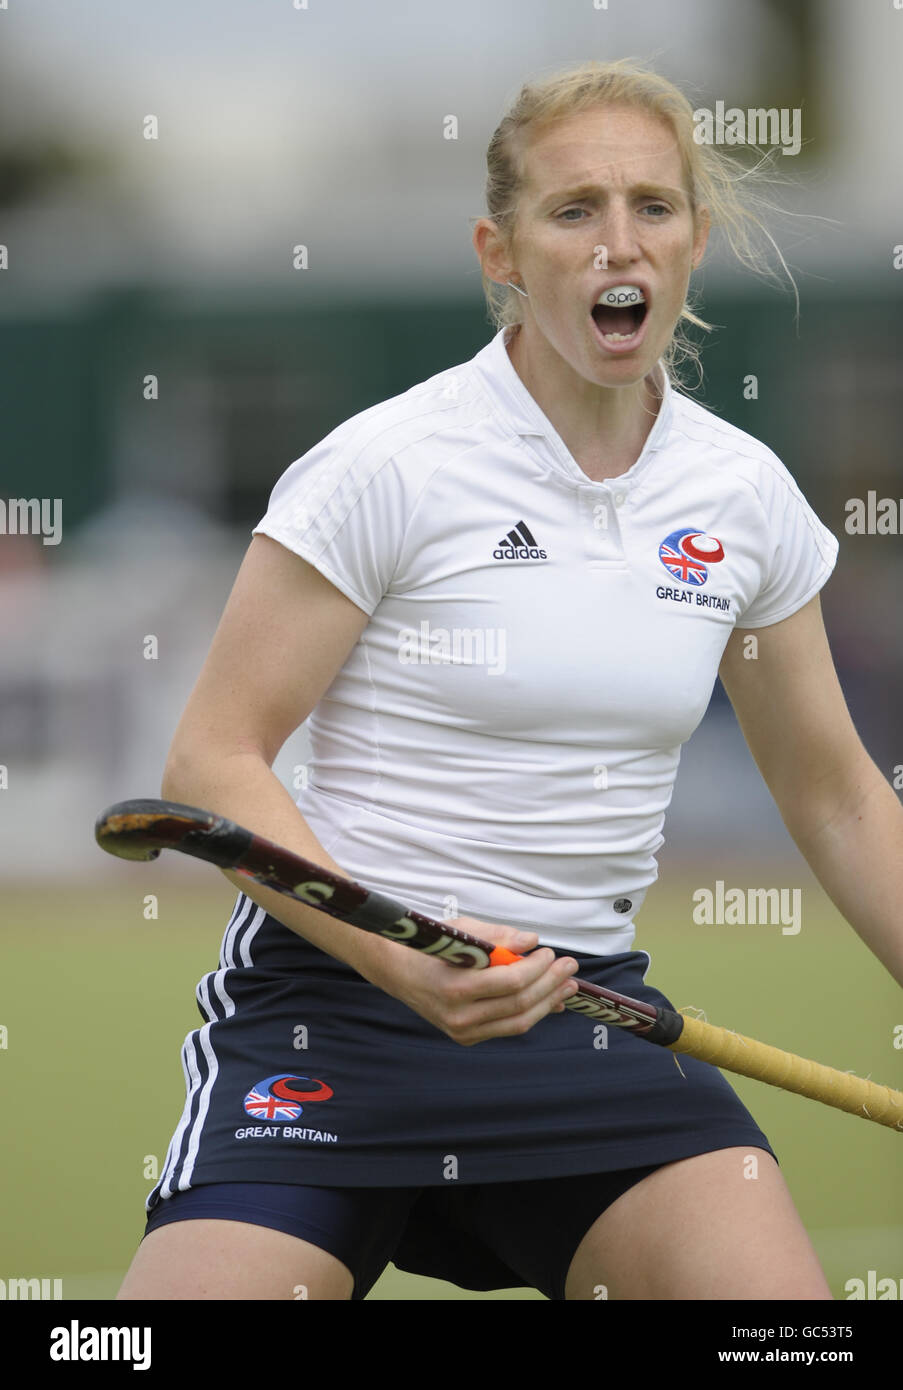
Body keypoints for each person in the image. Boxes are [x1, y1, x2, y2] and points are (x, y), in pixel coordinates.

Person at [117, 58, 903, 1302]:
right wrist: (399, 958)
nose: (616, 242)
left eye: (652, 205)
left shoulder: (742, 495)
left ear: (694, 239)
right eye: (573, 208)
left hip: (583, 1014)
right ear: (502, 248)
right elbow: (211, 763)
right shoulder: (387, 465)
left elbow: (840, 797)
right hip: (338, 1007)